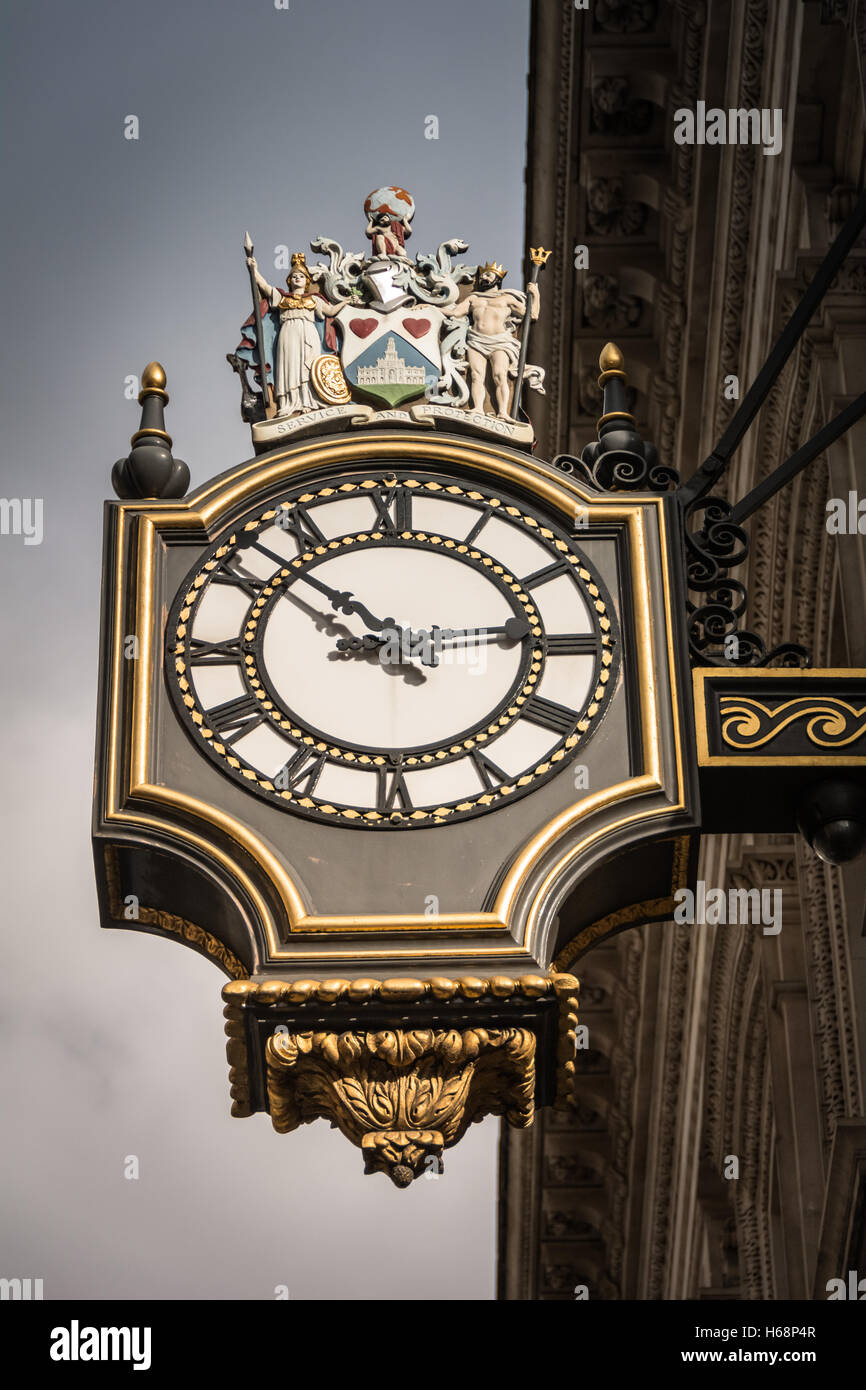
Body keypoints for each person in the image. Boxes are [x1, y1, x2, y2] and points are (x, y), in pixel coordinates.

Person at [245, 251, 341, 416]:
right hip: (289, 333)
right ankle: (290, 402)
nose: (297, 278)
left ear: (306, 281)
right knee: (290, 365)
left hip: (309, 334)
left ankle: (309, 401)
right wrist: (254, 269)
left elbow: (331, 311)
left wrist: (347, 301)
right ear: (290, 281)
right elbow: (264, 286)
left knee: (308, 366)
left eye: (301, 276)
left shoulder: (314, 299)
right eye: (294, 276)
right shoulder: (282, 298)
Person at [446, 262, 542, 417]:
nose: (484, 278)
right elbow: (455, 313)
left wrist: (535, 294)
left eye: (488, 275)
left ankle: (503, 412)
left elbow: (532, 315)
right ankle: (478, 408)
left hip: (500, 341)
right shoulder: (473, 299)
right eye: (482, 275)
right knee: (476, 375)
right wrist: (427, 307)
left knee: (499, 375)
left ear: (497, 279)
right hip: (476, 340)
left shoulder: (507, 299)